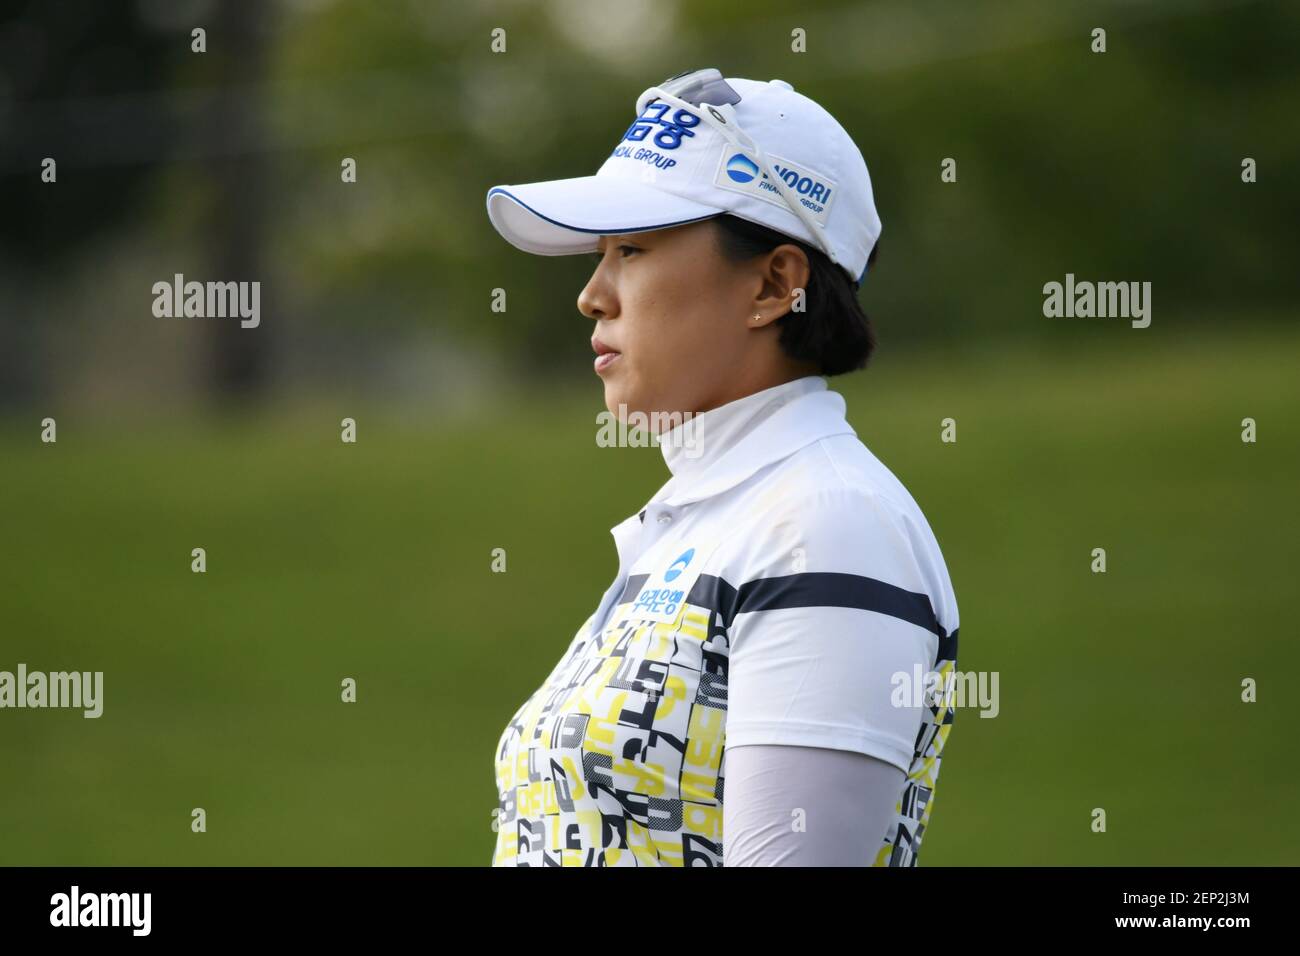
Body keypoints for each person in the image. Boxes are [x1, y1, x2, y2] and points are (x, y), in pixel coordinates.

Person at [485, 69, 959, 866]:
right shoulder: (718, 521)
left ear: (775, 285)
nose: (593, 295)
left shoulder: (826, 526)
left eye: (632, 249)